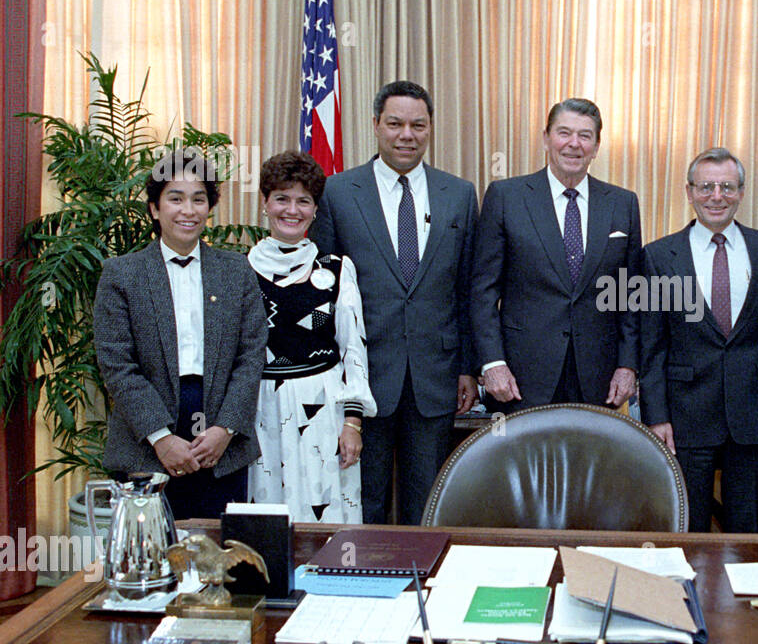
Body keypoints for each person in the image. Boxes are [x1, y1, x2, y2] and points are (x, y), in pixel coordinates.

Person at [311, 81, 478, 525]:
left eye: (418, 125)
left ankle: (424, 587)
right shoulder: (338, 192)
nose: (407, 134)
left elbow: (466, 290)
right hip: (363, 378)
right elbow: (322, 292)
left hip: (435, 376)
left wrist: (466, 367)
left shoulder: (459, 194)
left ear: (430, 129)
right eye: (396, 124)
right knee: (364, 498)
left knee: (427, 502)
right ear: (375, 126)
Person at [93, 148, 267, 520]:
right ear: (155, 208)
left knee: (220, 556)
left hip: (221, 432)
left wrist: (225, 429)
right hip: (147, 434)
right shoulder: (122, 274)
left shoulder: (237, 271)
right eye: (176, 198)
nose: (188, 210)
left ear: (209, 207)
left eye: (198, 199)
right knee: (155, 558)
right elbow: (117, 365)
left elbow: (252, 357)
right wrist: (161, 438)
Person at [471, 98, 641, 412]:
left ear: (597, 145)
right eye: (564, 133)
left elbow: (629, 297)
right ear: (546, 137)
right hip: (520, 377)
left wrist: (627, 365)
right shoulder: (506, 197)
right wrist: (492, 362)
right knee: (525, 462)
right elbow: (482, 292)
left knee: (591, 461)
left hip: (599, 379)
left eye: (585, 135)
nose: (574, 144)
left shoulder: (623, 204)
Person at [640, 148, 758, 532]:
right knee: (689, 526)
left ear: (741, 192)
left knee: (747, 526)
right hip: (685, 414)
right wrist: (657, 415)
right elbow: (651, 345)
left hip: (752, 412)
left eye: (727, 187)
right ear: (689, 192)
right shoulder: (658, 257)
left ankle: (744, 593)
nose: (717, 196)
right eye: (706, 187)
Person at [247, 151, 377, 523]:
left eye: (303, 200)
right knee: (268, 521)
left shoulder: (337, 270)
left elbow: (354, 350)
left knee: (330, 518)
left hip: (326, 409)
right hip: (261, 412)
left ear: (315, 210)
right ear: (265, 203)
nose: (292, 210)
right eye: (282, 199)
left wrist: (352, 423)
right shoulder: (239, 271)